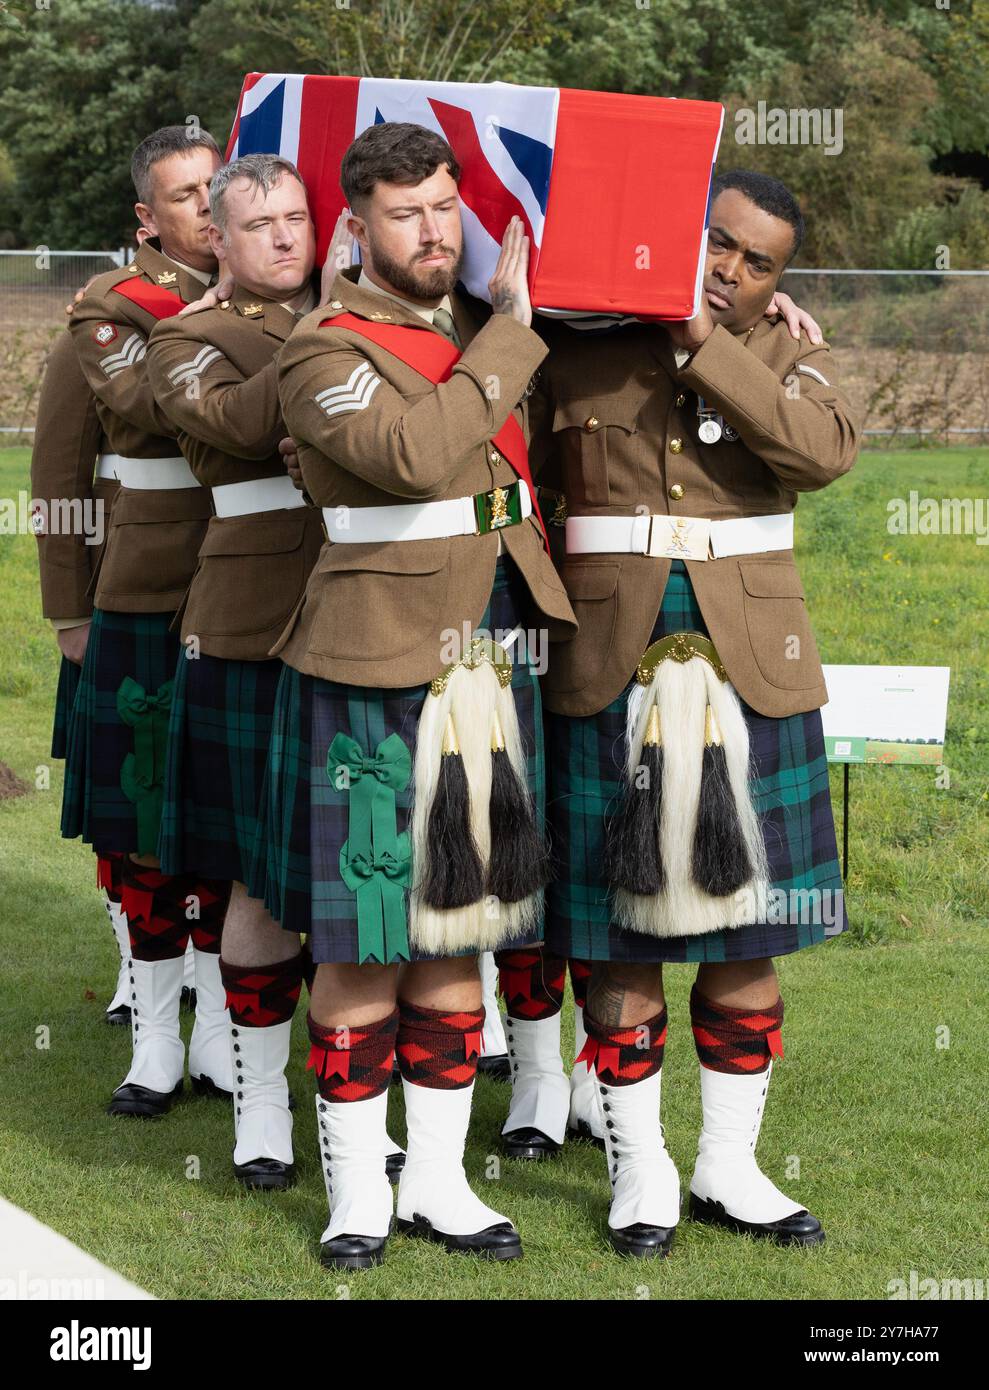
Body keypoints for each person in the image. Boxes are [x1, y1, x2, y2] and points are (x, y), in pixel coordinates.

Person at [512, 169, 859, 1256]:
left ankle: (728, 1165)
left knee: (746, 934)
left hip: (749, 669)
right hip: (602, 665)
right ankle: (639, 1168)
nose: (729, 267)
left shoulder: (786, 353)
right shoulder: (575, 347)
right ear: (675, 231)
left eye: (758, 263)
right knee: (615, 941)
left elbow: (819, 454)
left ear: (776, 283)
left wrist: (715, 338)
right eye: (716, 243)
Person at [255, 121, 576, 1269]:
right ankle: (356, 1190)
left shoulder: (474, 331)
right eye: (407, 213)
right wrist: (509, 332)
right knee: (363, 937)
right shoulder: (317, 348)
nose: (434, 231)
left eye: (445, 207)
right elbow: (412, 454)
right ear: (357, 224)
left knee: (461, 925)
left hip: (486, 651)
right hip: (367, 657)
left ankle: (438, 1181)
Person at [63, 126, 232, 1118]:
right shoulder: (110, 308)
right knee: (142, 826)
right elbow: (144, 402)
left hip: (254, 586)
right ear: (148, 217)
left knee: (221, 826)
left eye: (220, 187)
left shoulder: (286, 303)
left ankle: (218, 1029)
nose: (208, 208)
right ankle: (157, 1042)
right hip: (149, 587)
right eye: (185, 195)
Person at [30, 329, 129, 1022]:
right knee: (124, 795)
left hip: (235, 592)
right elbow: (59, 475)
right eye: (183, 205)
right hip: (121, 597)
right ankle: (140, 962)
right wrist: (70, 611)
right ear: (146, 218)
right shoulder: (104, 322)